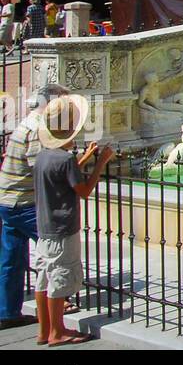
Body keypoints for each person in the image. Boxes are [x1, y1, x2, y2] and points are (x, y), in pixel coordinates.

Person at [33, 94, 114, 346]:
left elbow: (61, 177)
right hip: (63, 229)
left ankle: (44, 331)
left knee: (43, 279)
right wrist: (101, 162)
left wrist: (85, 158)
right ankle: (57, 333)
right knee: (59, 279)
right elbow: (84, 191)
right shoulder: (66, 159)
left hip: (44, 229)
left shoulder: (43, 156)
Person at [0, 84, 70, 331]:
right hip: (23, 202)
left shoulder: (29, 122)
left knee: (12, 257)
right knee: (55, 248)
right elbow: (41, 168)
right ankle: (57, 300)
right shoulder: (38, 128)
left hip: (8, 198)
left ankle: (7, 312)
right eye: (64, 104)